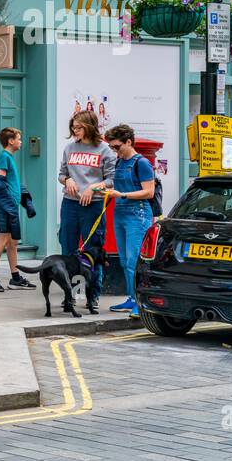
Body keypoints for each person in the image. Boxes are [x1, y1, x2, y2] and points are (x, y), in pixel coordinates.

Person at [104, 124, 156, 316]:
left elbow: (149, 192)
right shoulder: (119, 163)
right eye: (112, 148)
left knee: (134, 260)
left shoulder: (141, 163)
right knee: (125, 260)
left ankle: (141, 302)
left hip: (137, 215)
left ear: (128, 142)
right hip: (120, 213)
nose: (115, 152)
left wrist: (122, 194)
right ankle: (131, 297)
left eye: (117, 147)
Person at [57, 110, 115, 267]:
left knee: (93, 251)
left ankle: (92, 291)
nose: (74, 131)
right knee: (67, 248)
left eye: (78, 128)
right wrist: (67, 180)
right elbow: (61, 175)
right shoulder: (69, 149)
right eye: (73, 127)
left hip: (93, 205)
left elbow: (111, 180)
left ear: (89, 127)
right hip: (70, 204)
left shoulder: (105, 150)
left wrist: (94, 187)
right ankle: (71, 289)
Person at [0, 127, 34, 291]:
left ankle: (15, 278)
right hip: (4, 205)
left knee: (13, 242)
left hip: (10, 205)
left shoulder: (9, 158)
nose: (21, 142)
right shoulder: (4, 157)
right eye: (19, 139)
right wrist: (8, 204)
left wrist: (26, 202)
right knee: (4, 239)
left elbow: (12, 183)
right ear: (11, 141)